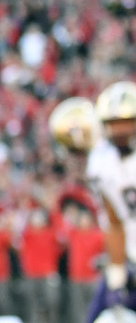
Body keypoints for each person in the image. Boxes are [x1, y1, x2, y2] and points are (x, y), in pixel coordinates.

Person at [85, 81, 136, 322]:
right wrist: (117, 276)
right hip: (131, 259)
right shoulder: (101, 161)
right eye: (113, 123)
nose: (120, 131)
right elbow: (115, 221)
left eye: (126, 122)